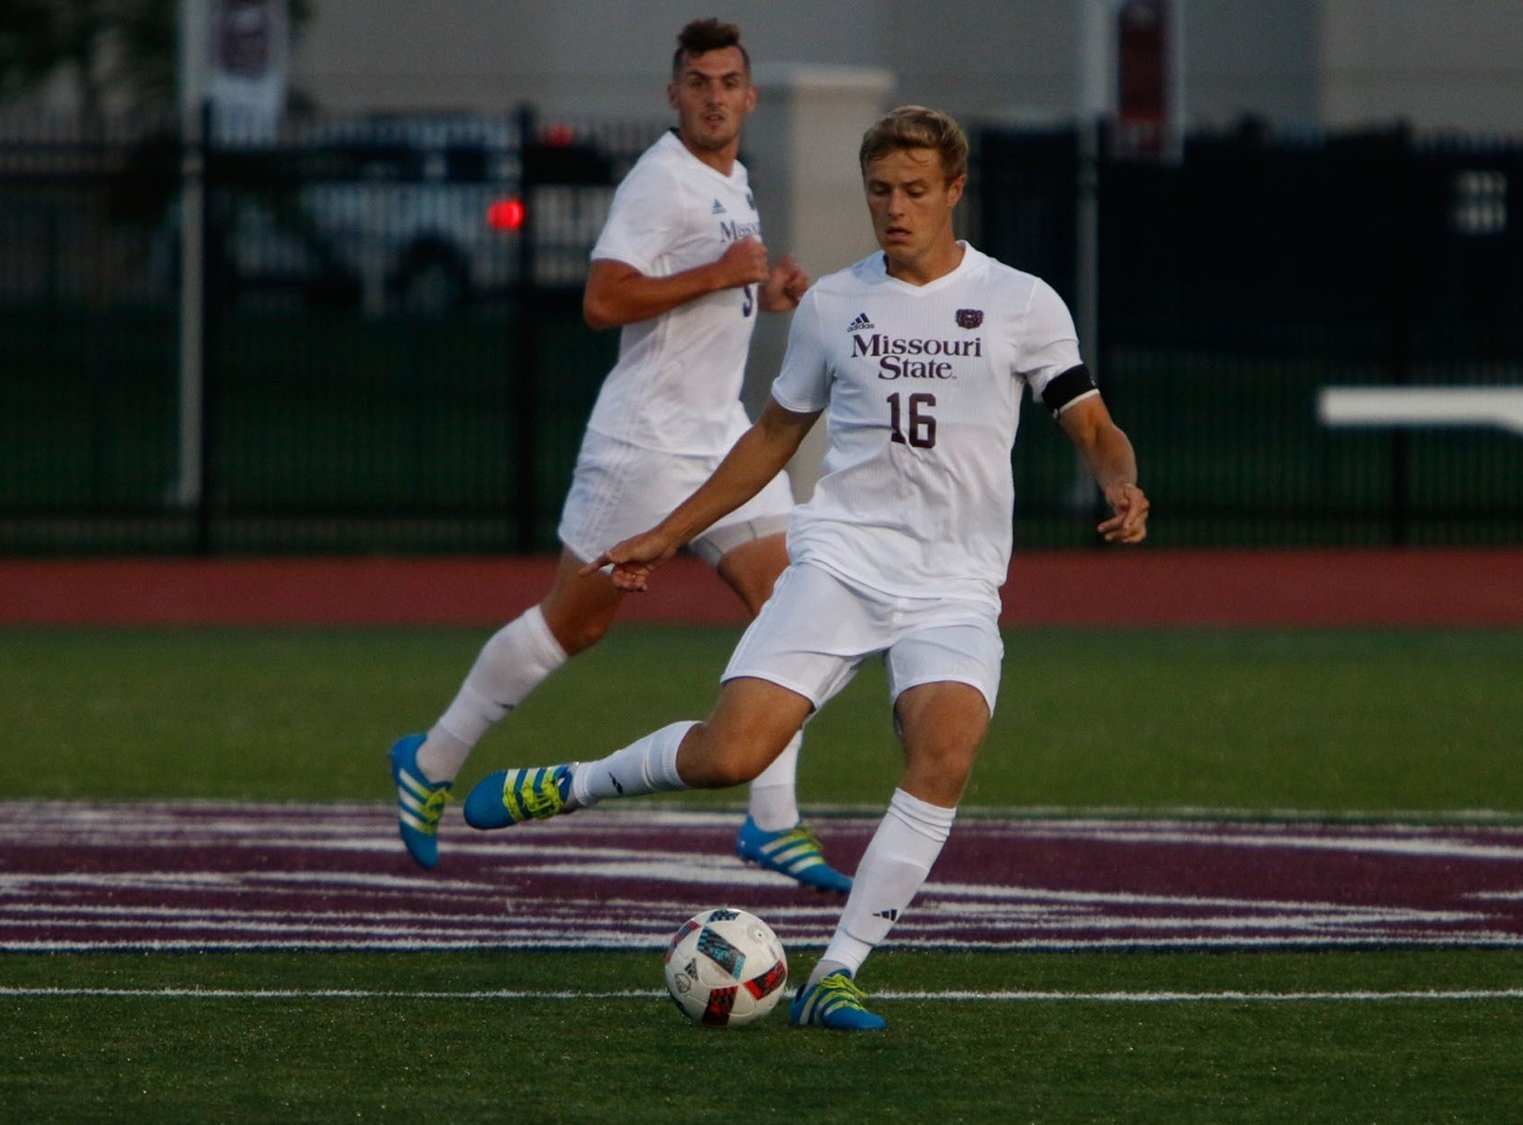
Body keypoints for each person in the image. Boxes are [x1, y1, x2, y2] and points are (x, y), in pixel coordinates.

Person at [460, 105, 1148, 1031]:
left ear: (954, 191)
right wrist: (666, 533)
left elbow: (1092, 424)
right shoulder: (834, 302)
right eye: (879, 190)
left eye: (913, 190)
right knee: (726, 755)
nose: (894, 208)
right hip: (840, 560)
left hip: (952, 582)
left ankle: (838, 972)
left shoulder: (1023, 301)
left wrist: (1121, 482)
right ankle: (574, 783)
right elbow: (773, 438)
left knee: (944, 746)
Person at [387, 18, 853, 894]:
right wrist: (724, 272)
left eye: (727, 82)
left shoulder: (733, 178)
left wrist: (766, 288)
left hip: (717, 431)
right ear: (672, 96)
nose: (714, 96)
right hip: (642, 442)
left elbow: (709, 292)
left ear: (749, 96)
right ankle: (432, 756)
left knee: (791, 599)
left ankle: (773, 822)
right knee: (578, 621)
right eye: (698, 82)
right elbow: (604, 300)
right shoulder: (659, 180)